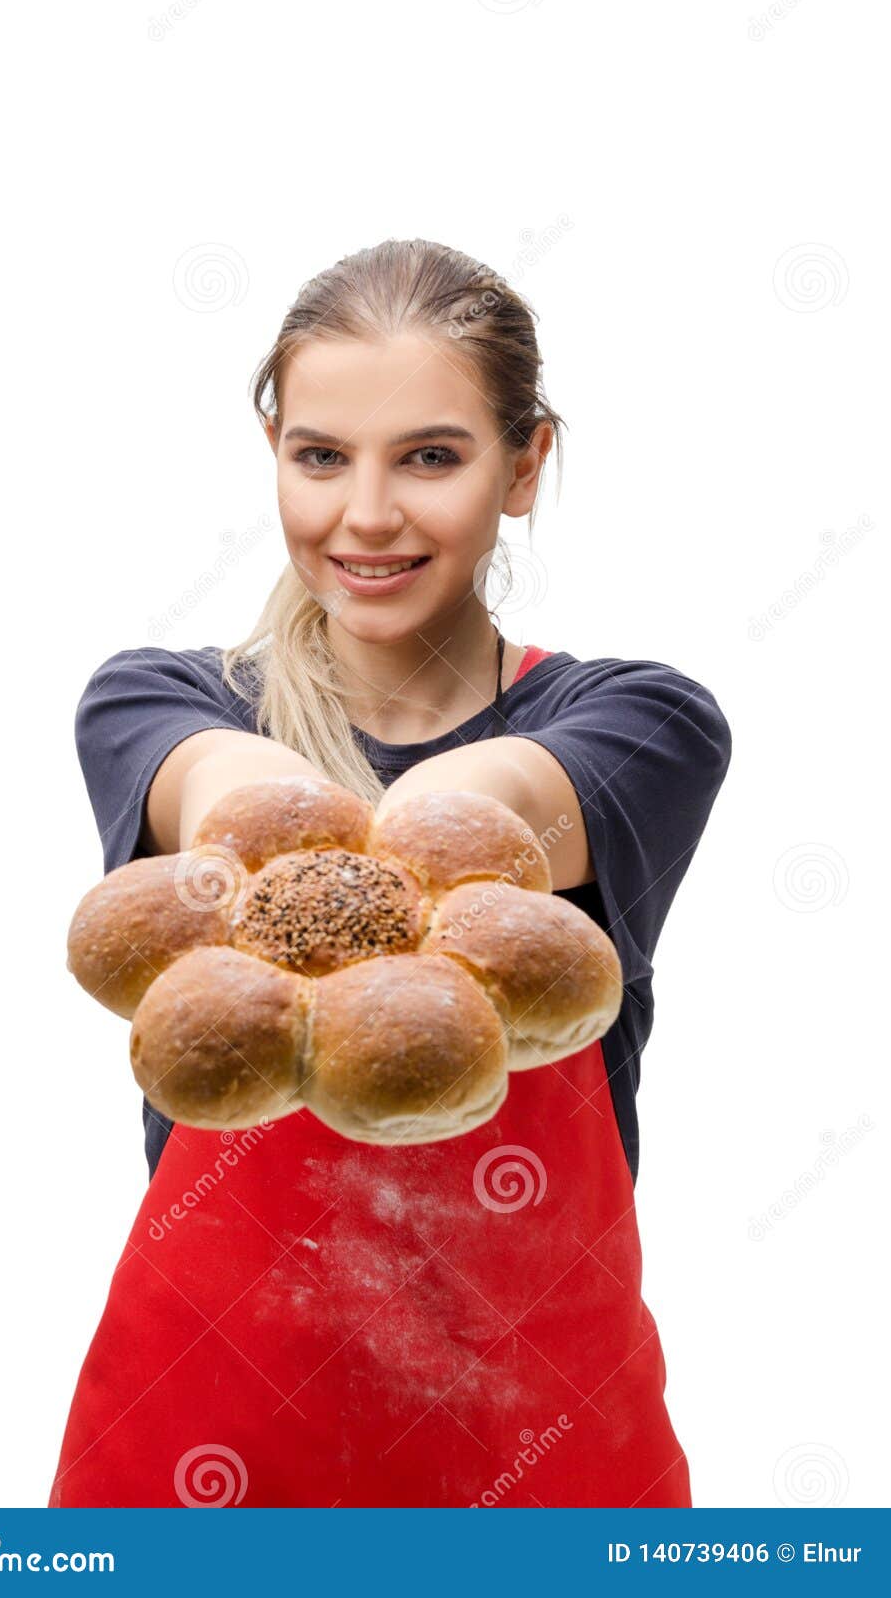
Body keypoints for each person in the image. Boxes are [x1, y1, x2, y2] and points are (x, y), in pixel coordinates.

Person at [48, 238, 732, 1508]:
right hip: (204, 1444)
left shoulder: (641, 722)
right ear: (273, 454)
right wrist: (300, 837)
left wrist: (424, 822)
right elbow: (231, 795)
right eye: (321, 457)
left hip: (542, 1453)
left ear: (522, 466)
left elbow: (497, 805)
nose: (366, 514)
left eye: (429, 456)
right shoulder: (158, 702)